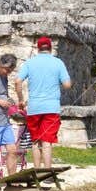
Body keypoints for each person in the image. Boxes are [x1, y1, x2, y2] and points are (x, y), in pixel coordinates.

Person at [17, 35, 71, 170]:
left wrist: (21, 100)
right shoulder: (58, 63)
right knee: (47, 140)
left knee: (35, 140)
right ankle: (47, 172)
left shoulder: (30, 63)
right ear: (50, 48)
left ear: (38, 48)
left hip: (34, 107)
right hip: (51, 107)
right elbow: (67, 85)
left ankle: (36, 170)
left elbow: (17, 81)